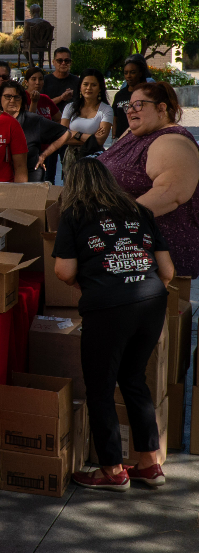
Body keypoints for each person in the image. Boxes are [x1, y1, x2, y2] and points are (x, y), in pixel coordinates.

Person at [52, 158, 174, 491]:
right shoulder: (140, 212)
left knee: (101, 387)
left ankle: (111, 470)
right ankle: (150, 464)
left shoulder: (74, 216)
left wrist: (94, 284)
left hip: (107, 307)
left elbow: (63, 271)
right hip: (151, 301)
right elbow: (167, 272)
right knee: (134, 379)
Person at [98, 82, 199, 276]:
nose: (129, 111)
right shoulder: (135, 133)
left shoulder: (173, 142)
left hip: (155, 260)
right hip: (124, 249)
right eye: (129, 105)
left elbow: (170, 193)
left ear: (161, 108)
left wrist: (113, 223)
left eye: (139, 105)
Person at [0, 80, 69, 182]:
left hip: (31, 177)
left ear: (23, 100)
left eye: (17, 97)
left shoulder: (33, 120)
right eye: (8, 96)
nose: (12, 100)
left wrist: (44, 155)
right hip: (2, 178)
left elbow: (66, 133)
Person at [59, 69, 114, 175]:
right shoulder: (70, 107)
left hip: (93, 158)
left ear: (100, 88)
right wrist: (90, 137)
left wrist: (73, 134)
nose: (89, 88)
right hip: (71, 158)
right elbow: (61, 136)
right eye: (85, 84)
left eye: (93, 85)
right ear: (80, 86)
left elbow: (100, 141)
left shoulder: (106, 110)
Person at [111, 54, 153, 139]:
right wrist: (114, 136)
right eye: (126, 73)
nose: (128, 76)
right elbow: (115, 117)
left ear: (140, 73)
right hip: (120, 138)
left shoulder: (147, 93)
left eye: (132, 72)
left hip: (140, 137)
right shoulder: (120, 94)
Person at [44, 47, 81, 112]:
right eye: (60, 61)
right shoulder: (45, 81)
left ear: (70, 63)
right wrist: (61, 98)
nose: (63, 63)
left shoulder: (77, 81)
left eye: (66, 61)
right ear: (54, 62)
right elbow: (42, 105)